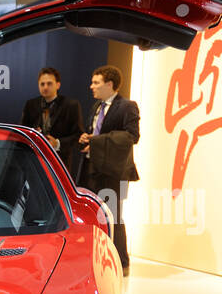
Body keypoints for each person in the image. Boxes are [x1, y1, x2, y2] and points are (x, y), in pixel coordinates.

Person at [78, 64, 140, 275]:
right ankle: (99, 260)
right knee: (94, 217)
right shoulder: (96, 107)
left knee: (114, 216)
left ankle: (121, 262)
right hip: (93, 167)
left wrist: (97, 141)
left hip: (114, 170)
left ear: (109, 84)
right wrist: (88, 139)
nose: (91, 86)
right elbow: (95, 132)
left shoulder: (127, 106)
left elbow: (132, 136)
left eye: (96, 82)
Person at [20, 67, 83, 175]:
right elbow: (23, 131)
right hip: (34, 160)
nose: (45, 87)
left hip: (60, 162)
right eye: (42, 84)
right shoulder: (31, 104)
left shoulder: (71, 105)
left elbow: (78, 136)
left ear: (58, 85)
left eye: (49, 84)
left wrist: (57, 143)